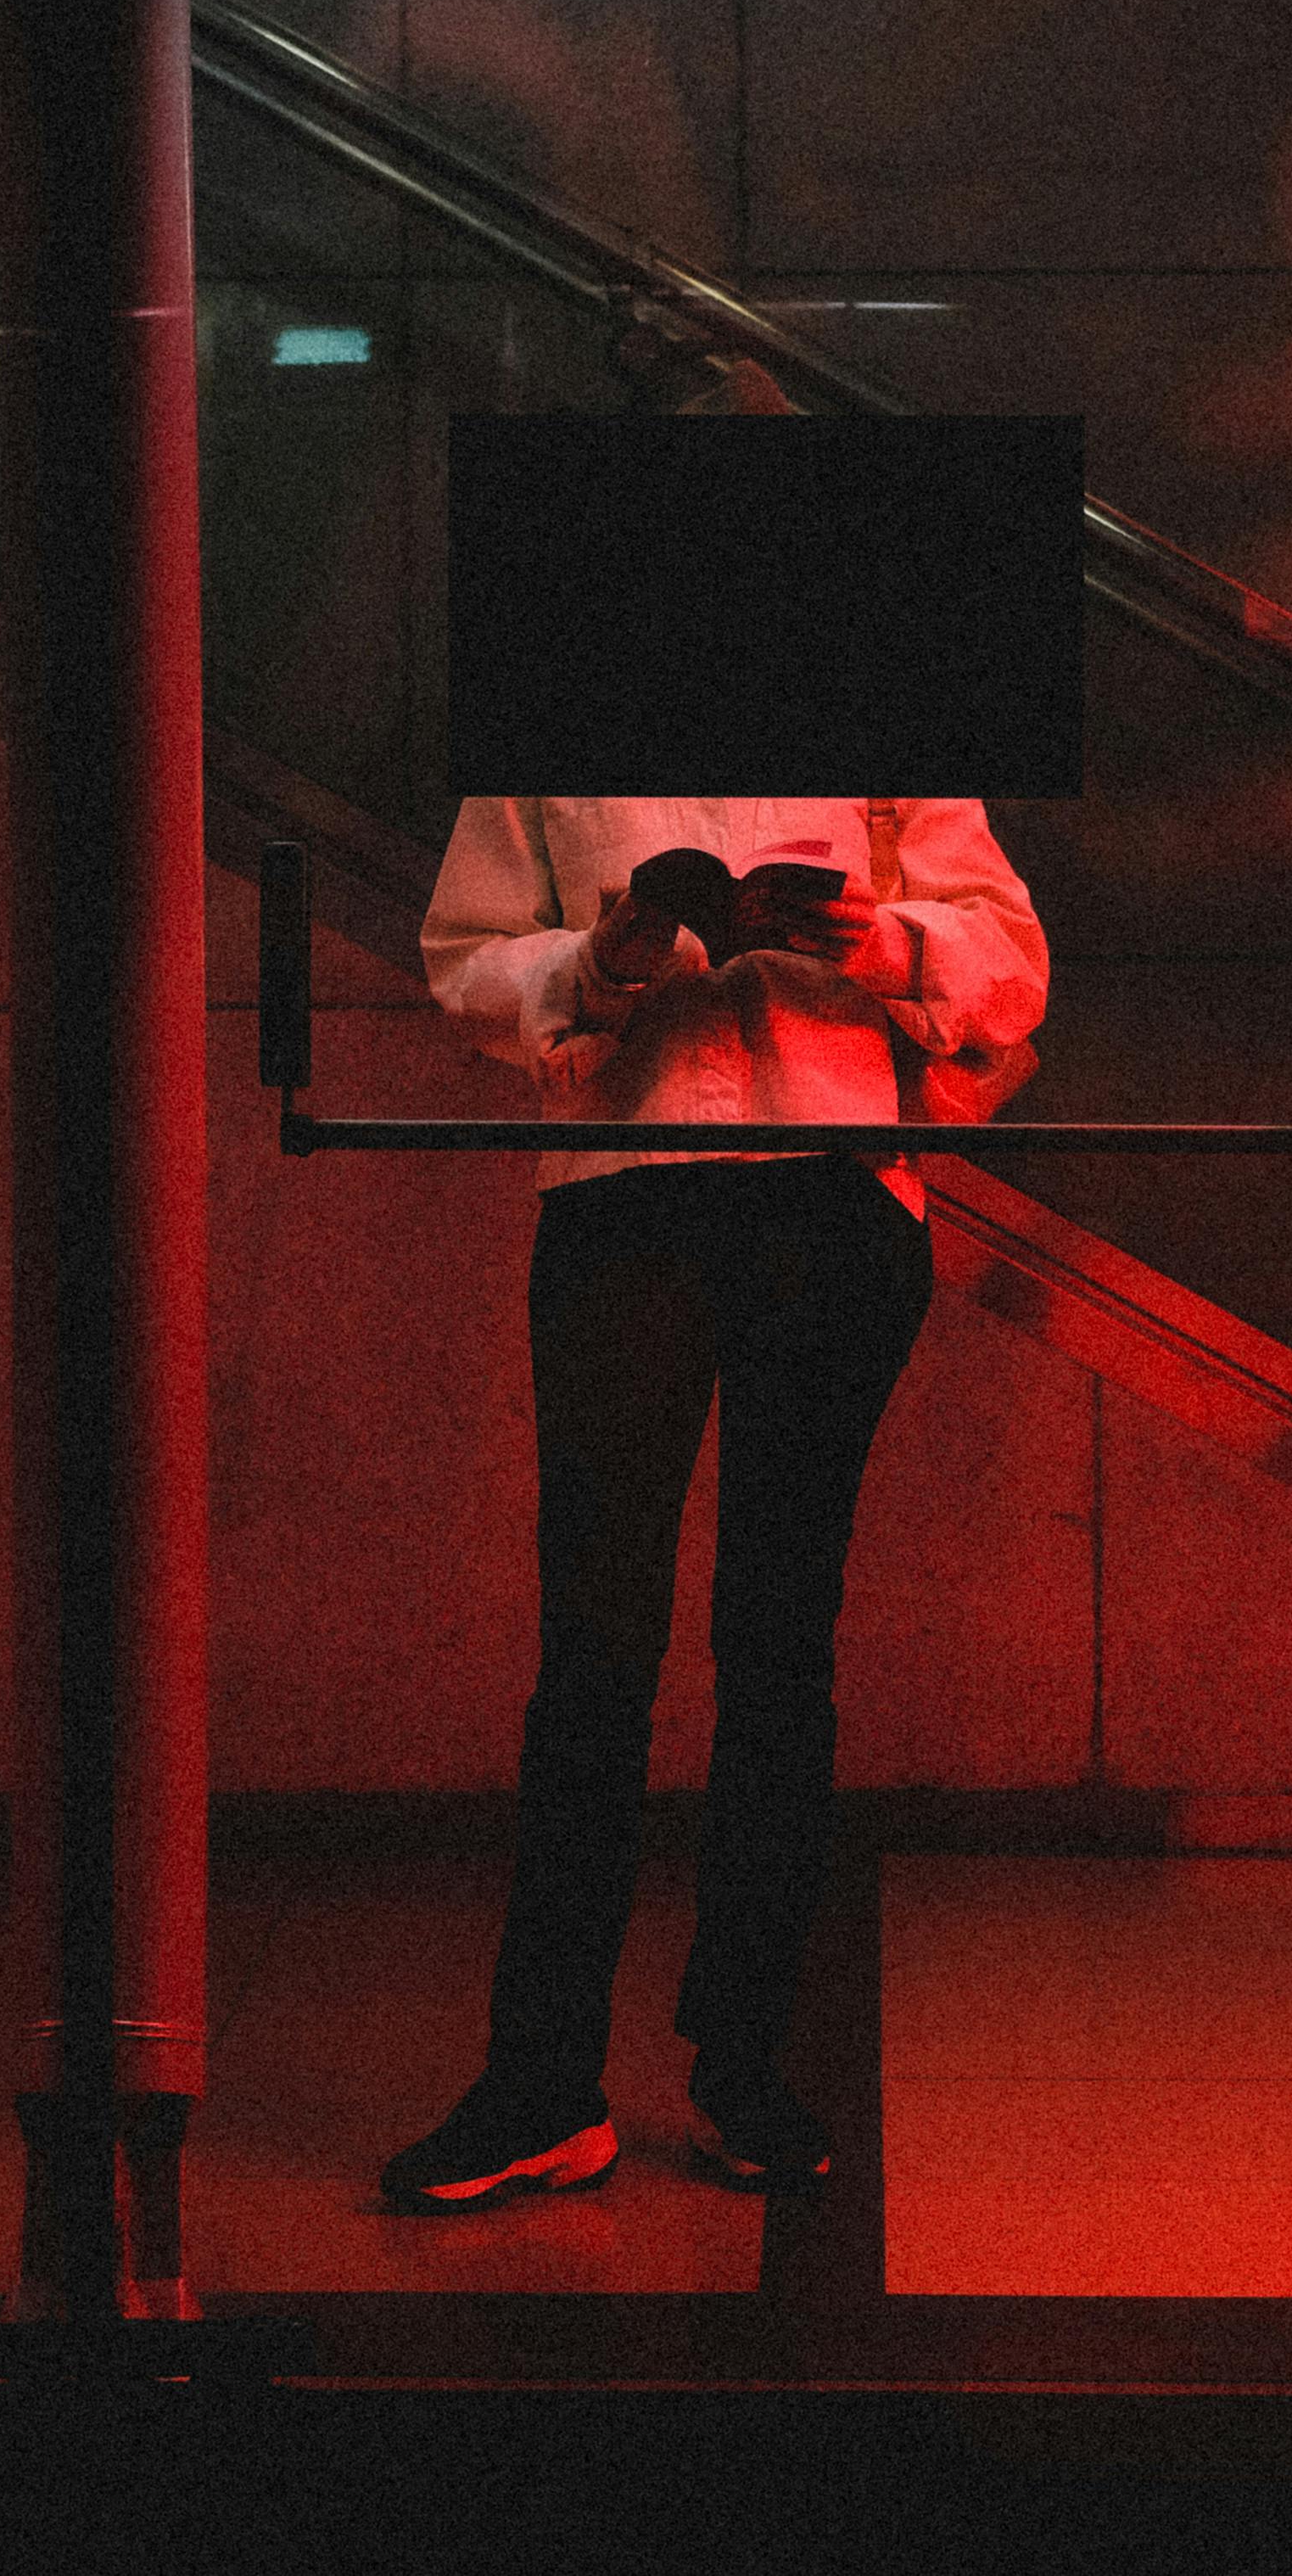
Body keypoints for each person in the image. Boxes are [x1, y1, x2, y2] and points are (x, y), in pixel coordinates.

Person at [381, 784, 1049, 2208]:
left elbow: (1008, 957)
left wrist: (871, 939)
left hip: (834, 1192)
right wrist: (615, 952)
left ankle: (742, 2061)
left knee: (778, 1646)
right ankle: (543, 2077)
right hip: (626, 1194)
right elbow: (469, 957)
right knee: (595, 1649)